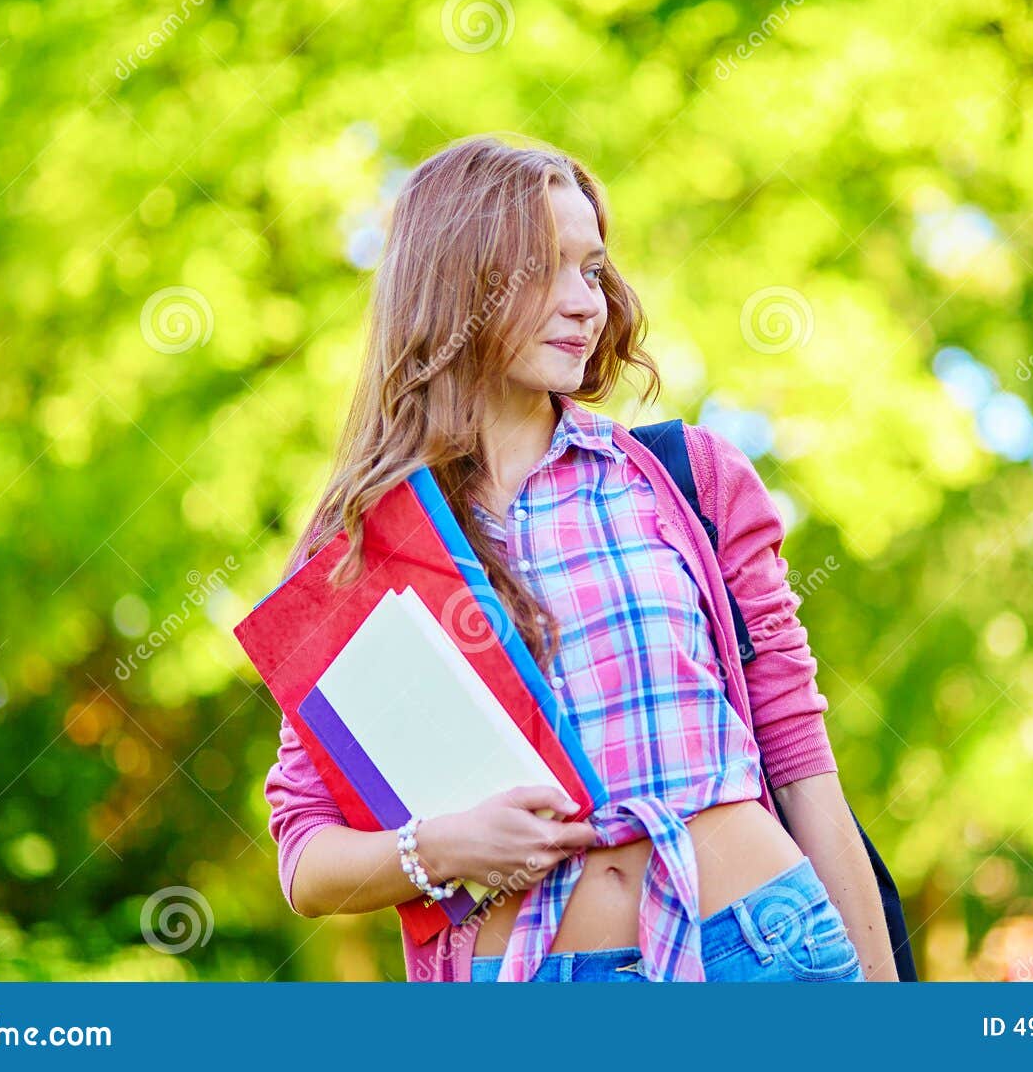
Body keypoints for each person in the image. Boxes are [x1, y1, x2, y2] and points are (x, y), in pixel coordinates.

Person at [264, 133, 897, 982]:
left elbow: (801, 765)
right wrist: (444, 845)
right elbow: (306, 856)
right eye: (543, 269)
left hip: (762, 950)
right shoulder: (359, 548)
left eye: (592, 270)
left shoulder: (690, 480)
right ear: (454, 284)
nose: (584, 303)